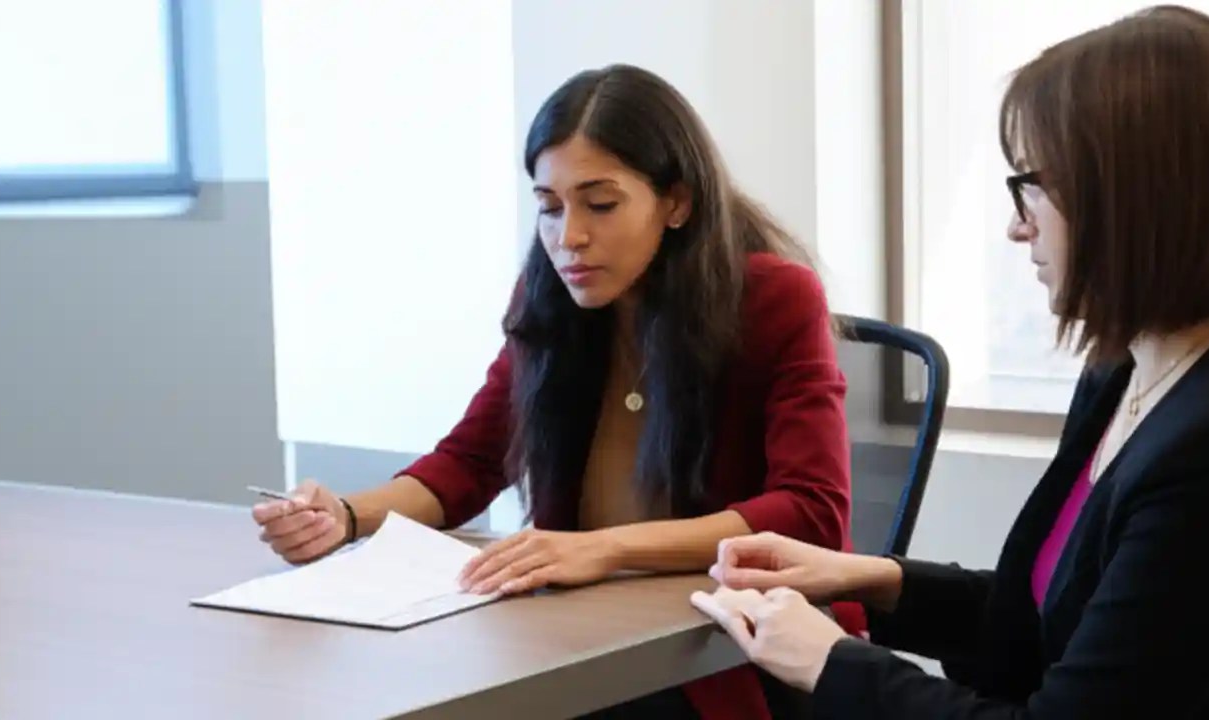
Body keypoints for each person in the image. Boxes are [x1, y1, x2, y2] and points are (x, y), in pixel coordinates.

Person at [251, 64, 858, 719]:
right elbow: (470, 462)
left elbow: (810, 512)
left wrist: (602, 548)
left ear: (677, 203)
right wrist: (344, 517)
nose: (568, 237)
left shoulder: (774, 299)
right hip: (584, 639)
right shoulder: (550, 298)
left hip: (739, 654)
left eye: (600, 204)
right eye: (548, 206)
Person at [692, 6, 1209, 719]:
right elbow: (1041, 617)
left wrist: (828, 660)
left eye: (1034, 188)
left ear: (1131, 195)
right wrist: (865, 578)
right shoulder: (1125, 371)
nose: (1017, 226)